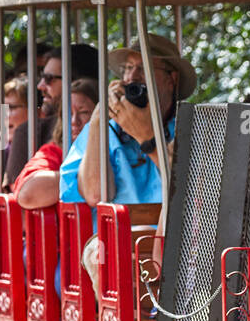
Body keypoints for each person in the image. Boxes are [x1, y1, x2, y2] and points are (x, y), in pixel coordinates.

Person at [61, 35, 197, 206]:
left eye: (144, 68)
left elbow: (197, 188)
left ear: (172, 79)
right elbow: (95, 195)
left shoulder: (192, 126)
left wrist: (148, 138)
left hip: (170, 231)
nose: (132, 77)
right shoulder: (107, 126)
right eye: (128, 68)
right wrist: (97, 121)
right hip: (119, 231)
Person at [0, 43, 98, 191]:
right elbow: (21, 197)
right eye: (42, 77)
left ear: (77, 82)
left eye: (49, 79)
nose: (40, 86)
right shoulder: (30, 132)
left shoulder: (115, 132)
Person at [15, 78, 97, 211]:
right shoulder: (56, 150)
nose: (74, 121)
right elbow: (27, 195)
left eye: (83, 112)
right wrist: (88, 179)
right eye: (68, 113)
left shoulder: (118, 149)